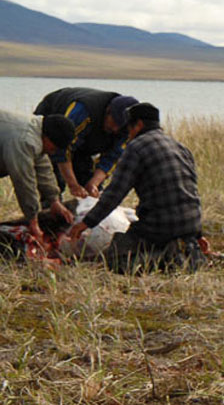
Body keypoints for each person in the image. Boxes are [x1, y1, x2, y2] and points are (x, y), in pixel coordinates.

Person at [66, 103, 204, 274]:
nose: (127, 135)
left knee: (117, 257)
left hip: (160, 226)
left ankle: (167, 257)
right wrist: (198, 233)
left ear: (138, 125)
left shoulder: (136, 148)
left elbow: (114, 194)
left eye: (128, 129)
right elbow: (191, 192)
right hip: (191, 224)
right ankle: (189, 248)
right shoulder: (180, 147)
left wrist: (86, 223)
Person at [33, 87, 139, 198]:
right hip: (53, 127)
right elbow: (62, 150)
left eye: (120, 126)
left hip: (85, 143)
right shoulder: (84, 111)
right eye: (114, 122)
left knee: (91, 187)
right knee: (53, 182)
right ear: (108, 111)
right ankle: (49, 207)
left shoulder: (126, 130)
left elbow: (112, 158)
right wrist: (73, 185)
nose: (115, 129)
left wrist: (93, 183)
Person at [0, 109, 75, 244]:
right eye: (54, 148)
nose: (53, 153)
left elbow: (43, 168)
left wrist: (54, 200)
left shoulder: (38, 133)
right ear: (47, 138)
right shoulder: (25, 140)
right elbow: (24, 182)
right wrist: (33, 221)